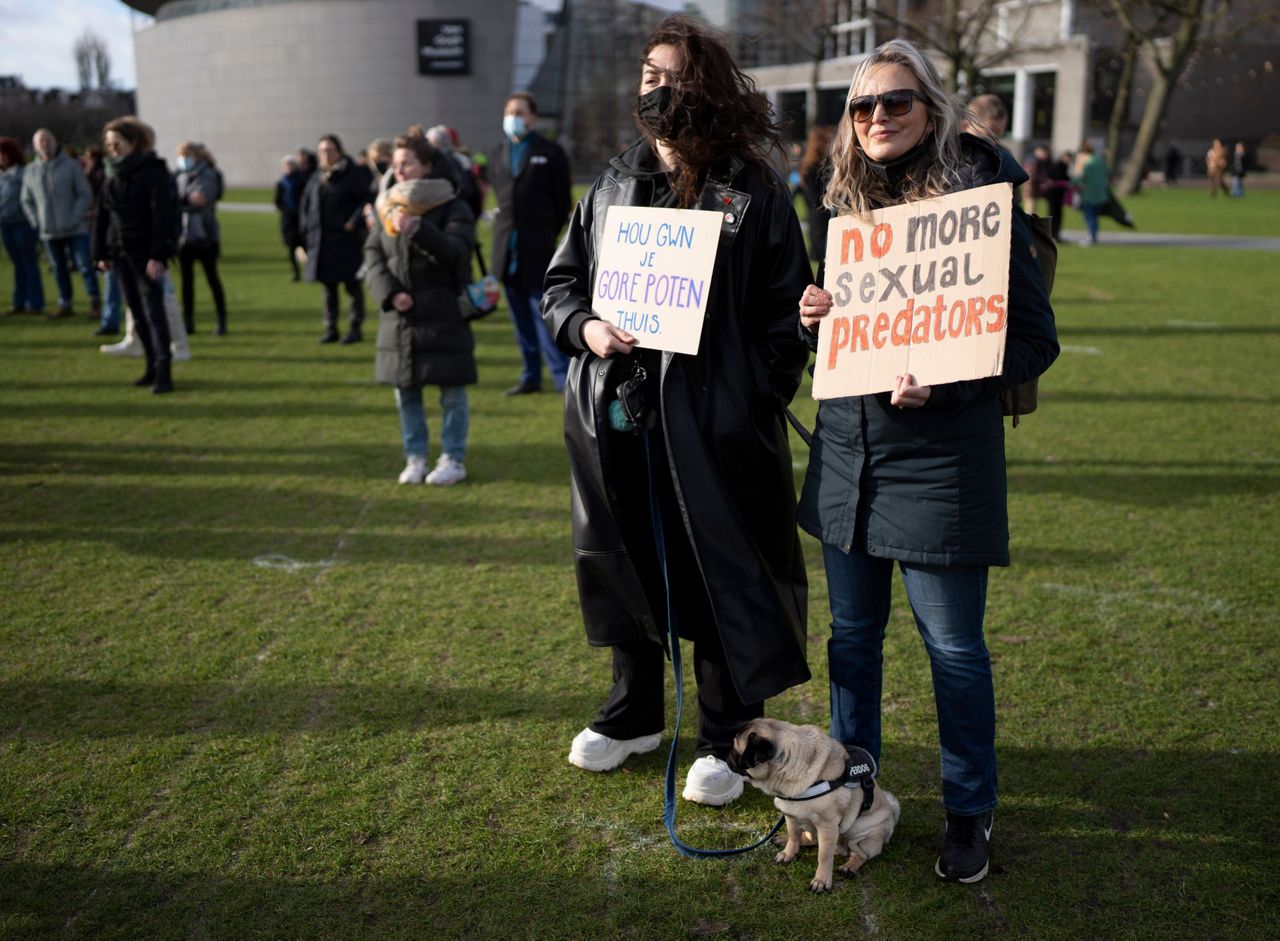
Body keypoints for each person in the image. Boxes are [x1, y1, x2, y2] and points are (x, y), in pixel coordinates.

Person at [794, 39, 1059, 883]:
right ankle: (853, 787)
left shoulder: (980, 197)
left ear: (931, 108)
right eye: (863, 106)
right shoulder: (838, 202)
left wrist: (940, 386)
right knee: (852, 641)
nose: (878, 118)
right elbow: (838, 332)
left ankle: (968, 809)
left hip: (941, 460)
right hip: (848, 455)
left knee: (953, 647)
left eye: (896, 102)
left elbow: (1033, 340)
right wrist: (815, 318)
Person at [542, 15, 813, 807]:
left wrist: (749, 396)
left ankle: (729, 735)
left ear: (711, 88)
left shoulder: (753, 188)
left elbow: (783, 314)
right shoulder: (612, 181)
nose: (660, 88)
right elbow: (562, 286)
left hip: (718, 430)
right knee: (623, 560)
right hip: (618, 421)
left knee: (720, 572)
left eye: (677, 76)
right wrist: (585, 326)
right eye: (649, 77)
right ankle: (634, 711)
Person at [363, 131, 477, 487]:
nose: (399, 171)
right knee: (406, 392)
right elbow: (373, 255)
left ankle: (452, 459)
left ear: (427, 166)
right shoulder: (387, 206)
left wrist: (419, 230)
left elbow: (457, 255)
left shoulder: (452, 205)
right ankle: (415, 457)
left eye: (407, 163)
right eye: (396, 164)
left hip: (443, 313)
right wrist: (390, 293)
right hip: (400, 319)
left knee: (452, 393)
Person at [491, 91, 573, 395]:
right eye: (510, 111)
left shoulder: (550, 152)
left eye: (521, 112)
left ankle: (563, 378)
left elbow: (562, 201)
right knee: (520, 320)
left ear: (534, 117)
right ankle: (530, 376)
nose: (514, 117)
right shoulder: (498, 152)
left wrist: (547, 233)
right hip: (506, 250)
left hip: (538, 248)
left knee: (543, 316)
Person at [92, 116, 179, 394]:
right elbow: (102, 217)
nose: (112, 148)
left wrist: (159, 255)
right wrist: (101, 252)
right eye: (109, 144)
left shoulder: (153, 172)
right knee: (137, 314)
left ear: (133, 143)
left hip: (146, 254)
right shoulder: (110, 173)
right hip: (120, 254)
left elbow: (164, 217)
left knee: (155, 313)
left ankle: (165, 372)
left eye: (117, 143)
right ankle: (151, 366)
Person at [20, 128, 100, 320]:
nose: (45, 144)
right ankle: (65, 303)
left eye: (47, 139)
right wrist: (36, 221)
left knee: (85, 266)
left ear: (55, 142)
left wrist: (74, 217)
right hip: (48, 231)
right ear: (35, 146)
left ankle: (95, 302)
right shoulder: (31, 170)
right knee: (58, 268)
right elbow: (26, 200)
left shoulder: (71, 166)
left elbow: (84, 194)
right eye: (41, 141)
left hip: (75, 228)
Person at [299, 134, 371, 344]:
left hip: (345, 241)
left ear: (339, 151)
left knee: (352, 286)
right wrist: (305, 227)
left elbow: (366, 200)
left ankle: (355, 328)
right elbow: (306, 203)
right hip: (322, 242)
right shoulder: (316, 176)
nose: (325, 154)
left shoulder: (352, 174)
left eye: (329, 150)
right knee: (328, 287)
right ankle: (331, 329)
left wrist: (353, 221)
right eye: (322, 150)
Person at [174, 141, 229, 335]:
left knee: (212, 279)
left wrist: (180, 200)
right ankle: (188, 322)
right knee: (186, 282)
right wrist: (184, 200)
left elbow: (201, 200)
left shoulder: (209, 175)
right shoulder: (179, 176)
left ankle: (222, 322)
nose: (183, 159)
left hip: (205, 236)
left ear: (197, 156)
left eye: (187, 155)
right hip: (184, 237)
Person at [0, 136, 46, 317]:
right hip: (5, 224)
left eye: (4, 155)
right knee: (17, 264)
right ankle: (19, 301)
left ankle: (34, 302)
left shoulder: (23, 173)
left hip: (22, 223)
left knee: (29, 264)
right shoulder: (2, 176)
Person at [798, 125, 834, 263]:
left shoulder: (818, 167)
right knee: (822, 255)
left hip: (821, 213)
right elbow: (815, 198)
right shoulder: (813, 169)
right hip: (820, 215)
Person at [274, 156, 306, 280]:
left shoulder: (301, 180)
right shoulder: (281, 183)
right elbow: (277, 201)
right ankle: (296, 273)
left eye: (290, 165)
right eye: (286, 166)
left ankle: (310, 269)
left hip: (300, 217)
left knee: (304, 244)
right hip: (288, 219)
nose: (288, 168)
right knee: (291, 246)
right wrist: (285, 210)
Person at [1072, 142, 1109, 245]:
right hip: (1101, 192)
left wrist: (1074, 182)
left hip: (1089, 193)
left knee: (1089, 216)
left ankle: (1091, 237)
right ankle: (1094, 236)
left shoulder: (1087, 162)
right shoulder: (1100, 160)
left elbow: (1079, 178)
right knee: (1094, 216)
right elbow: (1108, 172)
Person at [1043, 150, 1072, 242]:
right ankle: (1051, 235)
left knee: (1058, 215)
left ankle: (1056, 234)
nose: (1069, 160)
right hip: (1053, 195)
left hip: (1059, 195)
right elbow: (1056, 178)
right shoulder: (1057, 166)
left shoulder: (1064, 166)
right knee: (1053, 214)